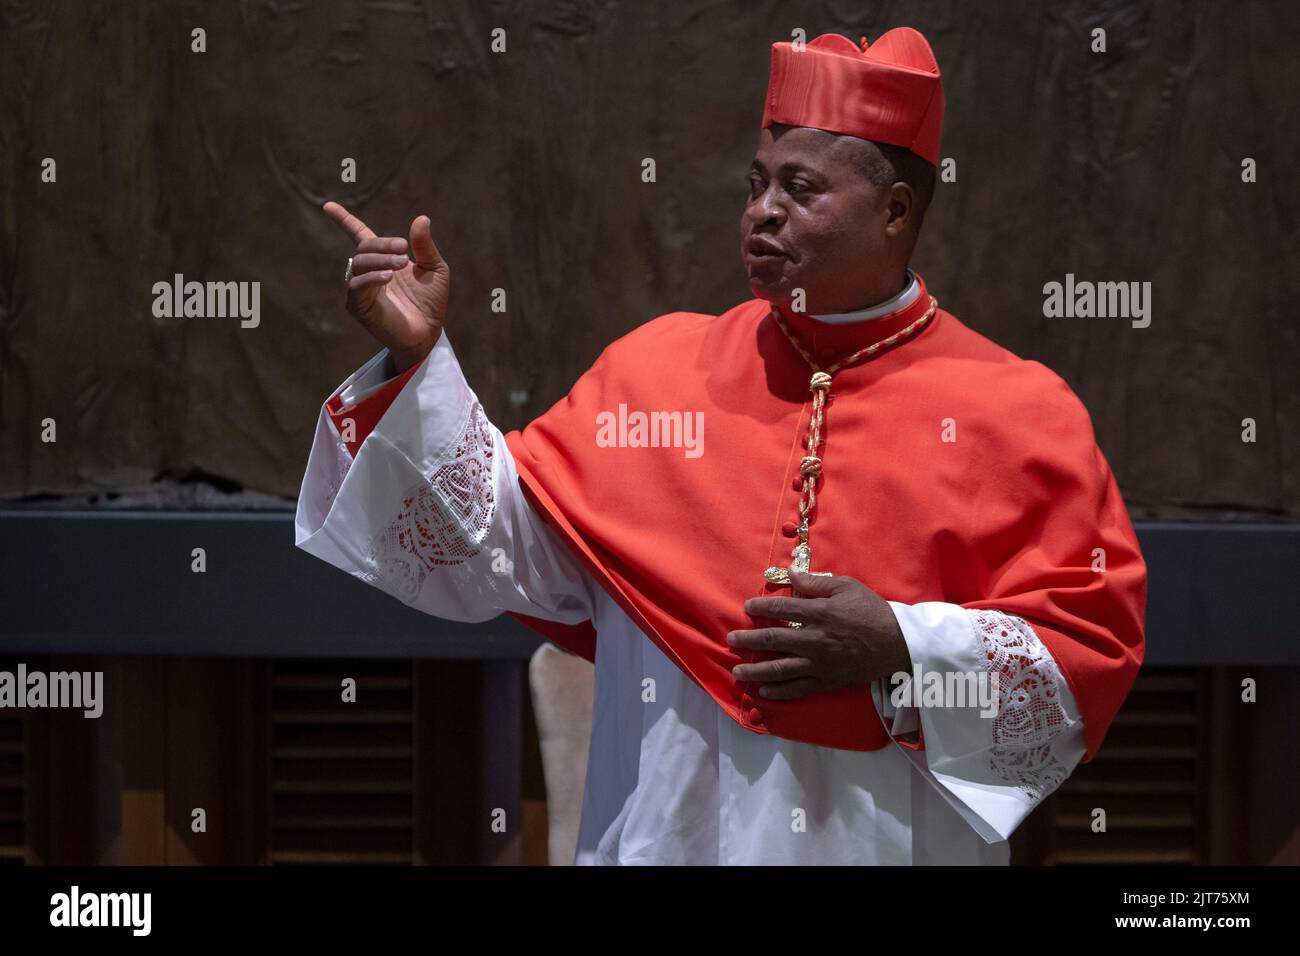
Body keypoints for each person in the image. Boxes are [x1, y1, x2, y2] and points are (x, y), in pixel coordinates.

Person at [295, 27, 1146, 864]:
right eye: (755, 184)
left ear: (895, 212)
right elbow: (492, 545)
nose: (762, 213)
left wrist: (900, 642)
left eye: (801, 189)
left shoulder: (1016, 413)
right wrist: (416, 363)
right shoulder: (656, 372)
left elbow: (1080, 670)